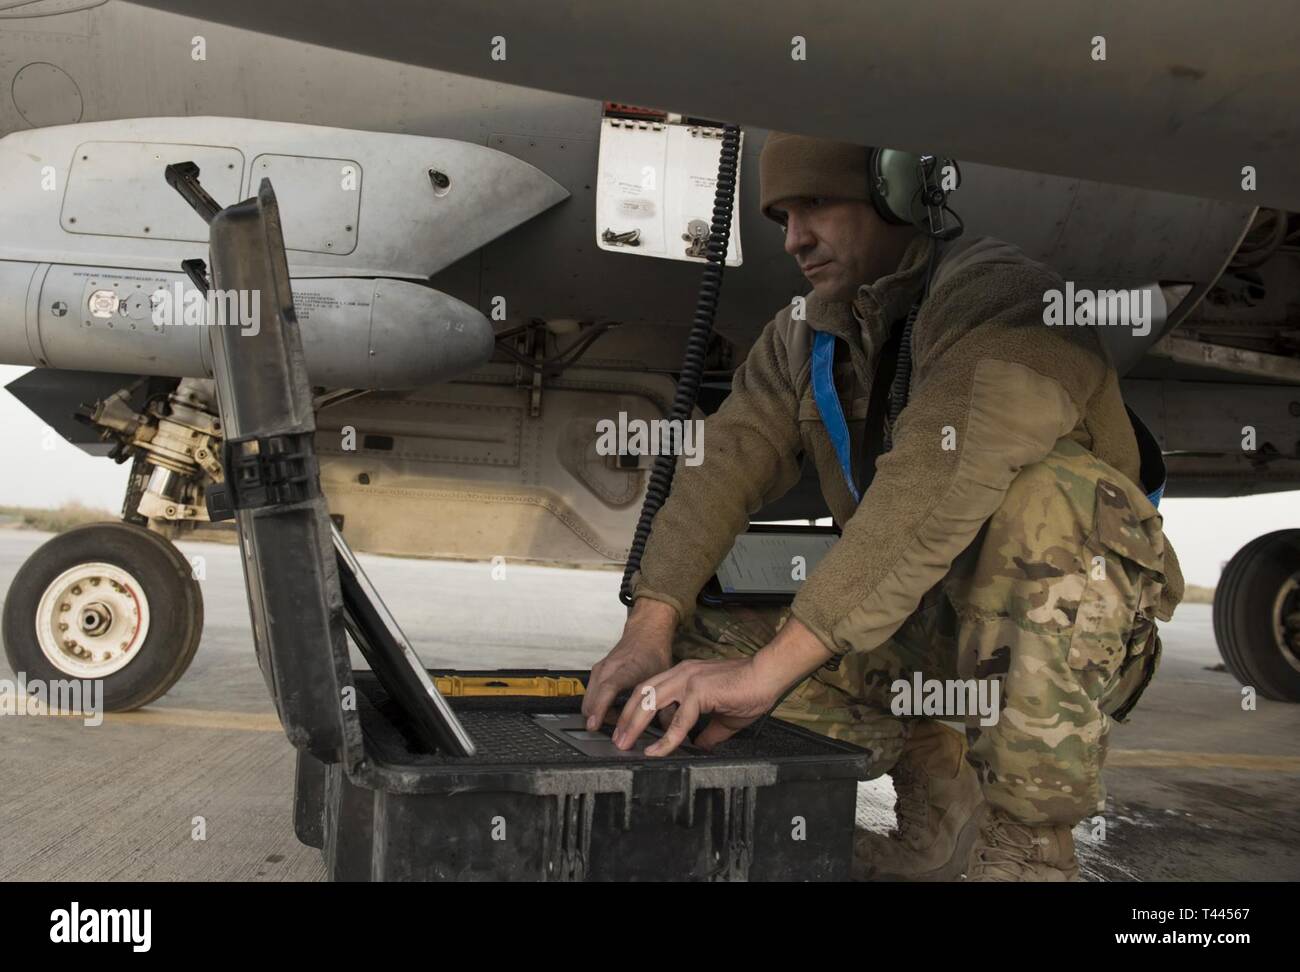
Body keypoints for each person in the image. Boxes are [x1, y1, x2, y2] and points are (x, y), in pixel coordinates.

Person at [582, 132, 1184, 881]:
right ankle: (939, 801)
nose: (795, 239)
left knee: (1045, 500)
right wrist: (650, 625)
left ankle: (1031, 848)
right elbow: (721, 467)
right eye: (781, 218)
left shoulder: (1005, 298)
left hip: (1063, 632)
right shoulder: (808, 334)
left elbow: (939, 477)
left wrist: (771, 672)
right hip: (923, 628)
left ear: (899, 190)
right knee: (694, 648)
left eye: (816, 206)